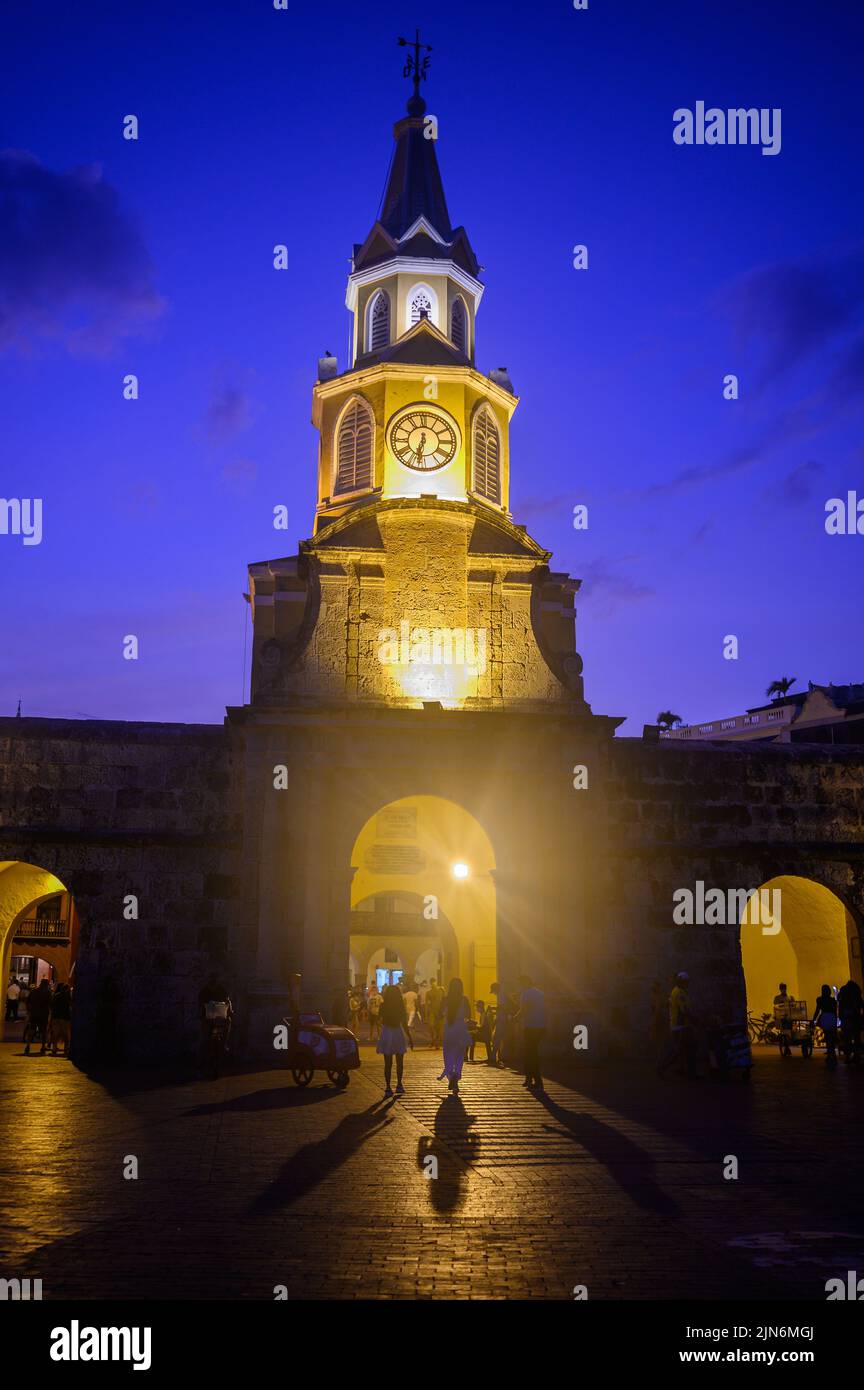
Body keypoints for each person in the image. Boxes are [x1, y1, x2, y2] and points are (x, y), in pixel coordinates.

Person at [657, 971, 697, 1080]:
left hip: (679, 1025)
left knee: (685, 1049)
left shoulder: (678, 991)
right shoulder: (679, 993)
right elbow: (684, 1011)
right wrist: (696, 1020)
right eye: (685, 982)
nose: (687, 984)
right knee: (682, 1049)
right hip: (681, 1026)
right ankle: (662, 1067)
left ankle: (685, 1071)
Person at [438, 978, 471, 1095]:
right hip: (461, 1030)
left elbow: (440, 1014)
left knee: (448, 1056)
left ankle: (452, 1077)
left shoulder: (445, 1000)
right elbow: (468, 1014)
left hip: (449, 1030)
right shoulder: (464, 1000)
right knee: (459, 1057)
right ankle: (455, 1078)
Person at [377, 983, 409, 1096]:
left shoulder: (383, 1005)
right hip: (398, 1032)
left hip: (387, 1032)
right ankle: (399, 1085)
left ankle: (388, 1087)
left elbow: (379, 1019)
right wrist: (409, 1036)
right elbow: (404, 1022)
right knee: (399, 1062)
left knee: (388, 1063)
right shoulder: (400, 1006)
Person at [517, 974, 546, 1091]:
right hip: (541, 1026)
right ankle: (531, 1079)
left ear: (524, 983)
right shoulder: (540, 993)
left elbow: (524, 1009)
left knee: (530, 1054)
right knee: (532, 1052)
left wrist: (514, 1018)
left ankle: (535, 1080)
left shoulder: (526, 993)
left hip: (530, 1026)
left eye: (519, 983)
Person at [198, 973, 233, 1059]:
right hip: (207, 1016)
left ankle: (224, 1043)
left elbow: (228, 1001)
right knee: (205, 1034)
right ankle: (205, 1047)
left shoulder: (222, 990)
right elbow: (200, 1004)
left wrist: (230, 1010)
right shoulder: (204, 991)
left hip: (219, 1016)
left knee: (228, 1021)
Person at [23, 979, 52, 1055]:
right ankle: (43, 1046)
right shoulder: (48, 993)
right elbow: (50, 1004)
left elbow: (27, 1002)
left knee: (31, 1030)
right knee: (43, 1031)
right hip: (43, 1015)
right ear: (47, 985)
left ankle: (28, 1045)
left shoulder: (33, 991)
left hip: (34, 1014)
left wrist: (29, 1010)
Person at [813, 984, 839, 1066]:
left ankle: (829, 1053)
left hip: (825, 1017)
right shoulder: (833, 1001)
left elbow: (817, 1010)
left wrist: (814, 1019)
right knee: (832, 1035)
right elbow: (835, 1011)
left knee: (827, 1036)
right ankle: (833, 1053)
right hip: (832, 1017)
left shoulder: (820, 999)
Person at [49, 981, 72, 1056]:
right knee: (66, 1035)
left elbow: (52, 1006)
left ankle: (54, 1049)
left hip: (56, 1016)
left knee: (55, 1034)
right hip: (65, 1017)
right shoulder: (68, 996)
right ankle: (66, 1049)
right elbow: (70, 1006)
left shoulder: (56, 995)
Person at [650, 980, 667, 1062]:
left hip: (658, 1019)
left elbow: (657, 1009)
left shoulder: (658, 996)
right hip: (659, 1018)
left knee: (658, 1040)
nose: (652, 988)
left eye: (654, 986)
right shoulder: (657, 996)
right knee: (658, 1040)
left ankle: (660, 1059)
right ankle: (659, 1058)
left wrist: (654, 1022)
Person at [426, 979, 445, 1048]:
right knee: (431, 1026)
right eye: (431, 982)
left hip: (440, 1011)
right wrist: (426, 1014)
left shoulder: (441, 990)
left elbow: (445, 1000)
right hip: (432, 1011)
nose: (432, 984)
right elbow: (427, 1004)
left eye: (433, 982)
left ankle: (436, 1042)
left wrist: (444, 1010)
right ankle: (434, 1040)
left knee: (439, 1028)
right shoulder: (428, 992)